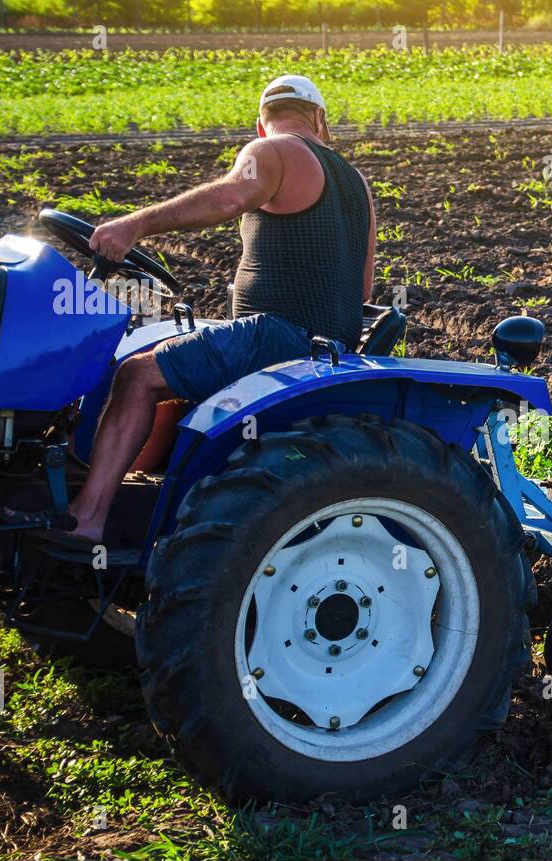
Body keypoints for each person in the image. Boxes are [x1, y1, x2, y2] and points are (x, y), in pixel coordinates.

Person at [26, 75, 376, 545]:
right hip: (327, 344)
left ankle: (87, 515)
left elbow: (230, 198)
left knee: (135, 375)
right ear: (320, 119)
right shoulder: (357, 184)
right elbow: (364, 285)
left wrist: (136, 224)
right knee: (169, 357)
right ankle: (114, 487)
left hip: (276, 336)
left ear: (260, 124)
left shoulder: (272, 152)